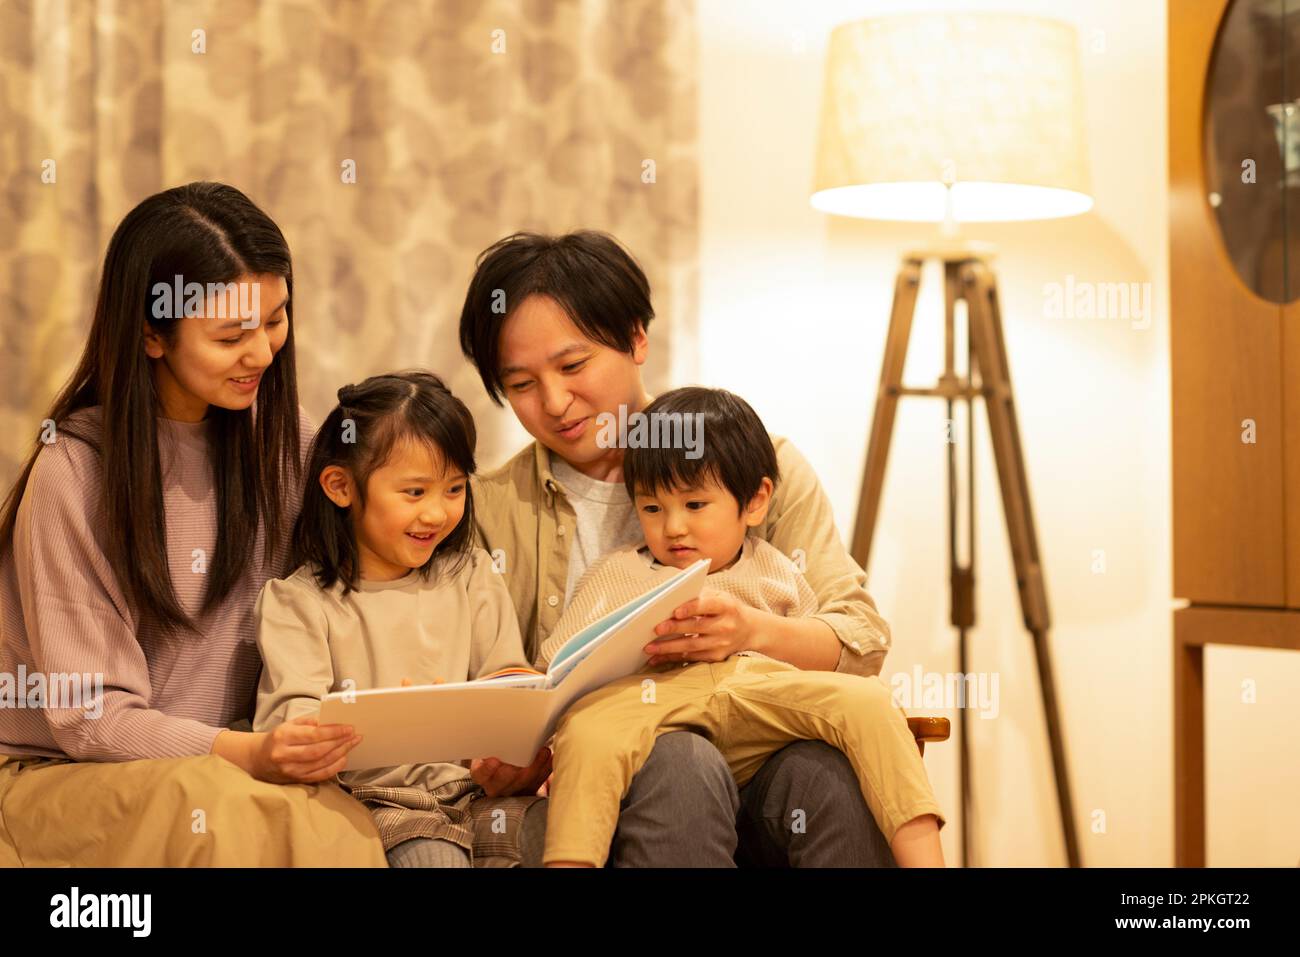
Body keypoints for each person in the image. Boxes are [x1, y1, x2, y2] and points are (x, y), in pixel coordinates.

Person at [461, 230, 899, 866]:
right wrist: (512, 739)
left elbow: (858, 641)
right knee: (679, 763)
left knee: (828, 774)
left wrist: (751, 630)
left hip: (758, 758)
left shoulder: (758, 468)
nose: (555, 403)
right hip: (597, 779)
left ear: (637, 337)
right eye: (522, 384)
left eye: (573, 366)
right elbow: (487, 681)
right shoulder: (488, 510)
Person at [0, 182, 385, 867]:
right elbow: (91, 717)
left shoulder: (285, 439)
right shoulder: (75, 475)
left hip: (226, 752)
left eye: (276, 319)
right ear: (151, 332)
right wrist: (246, 751)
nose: (263, 353)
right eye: (231, 334)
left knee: (338, 821)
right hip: (63, 771)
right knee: (232, 815)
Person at [538, 387, 945, 868]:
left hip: (758, 695)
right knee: (587, 730)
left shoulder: (775, 567)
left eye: (694, 505)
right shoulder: (616, 572)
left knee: (874, 701)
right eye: (652, 508)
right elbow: (554, 668)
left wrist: (760, 634)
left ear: (755, 502)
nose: (672, 528)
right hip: (654, 703)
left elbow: (819, 656)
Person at [253, 371, 546, 868]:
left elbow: (507, 684)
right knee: (434, 856)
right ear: (341, 486)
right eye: (415, 493)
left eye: (454, 489)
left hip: (479, 799)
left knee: (563, 833)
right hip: (377, 804)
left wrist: (514, 744)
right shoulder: (299, 602)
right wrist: (384, 723)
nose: (437, 513)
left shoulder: (471, 575)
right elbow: (293, 725)